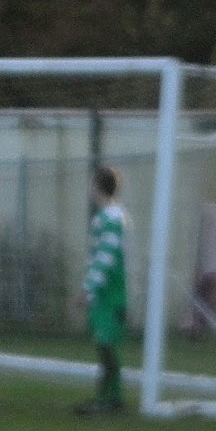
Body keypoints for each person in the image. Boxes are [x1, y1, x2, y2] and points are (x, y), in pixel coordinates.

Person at [76, 164, 128, 415]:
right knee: (103, 345)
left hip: (112, 297)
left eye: (92, 183)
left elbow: (105, 258)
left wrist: (88, 289)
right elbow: (99, 258)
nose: (90, 188)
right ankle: (108, 396)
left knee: (105, 344)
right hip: (105, 296)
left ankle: (110, 399)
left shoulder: (111, 220)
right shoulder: (108, 218)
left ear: (97, 187)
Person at [181, 201, 216, 340]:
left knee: (202, 298)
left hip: (207, 269)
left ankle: (195, 326)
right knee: (203, 298)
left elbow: (207, 251)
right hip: (209, 268)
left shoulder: (208, 224)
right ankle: (195, 326)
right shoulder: (209, 228)